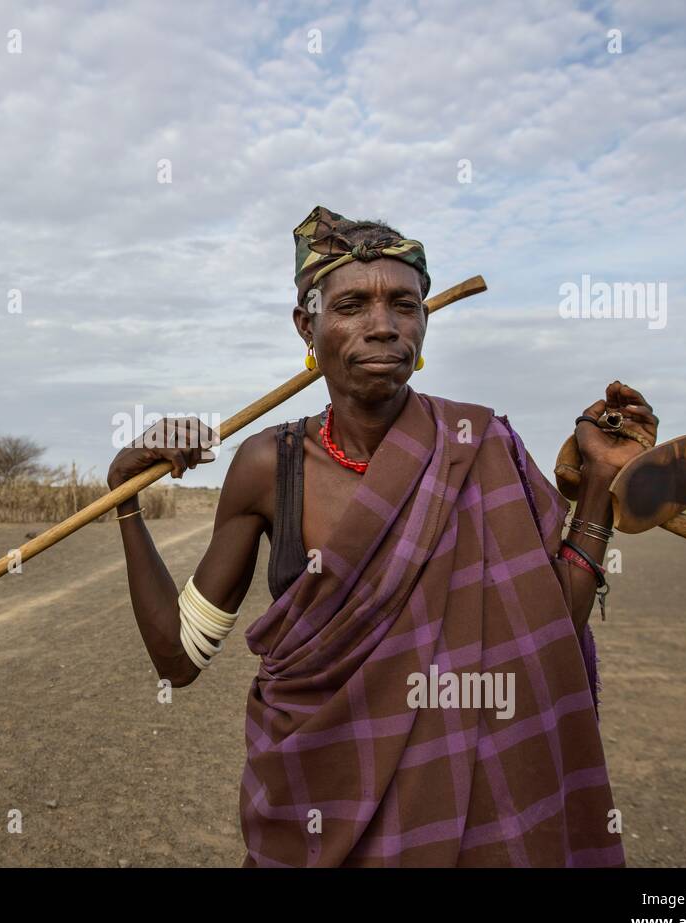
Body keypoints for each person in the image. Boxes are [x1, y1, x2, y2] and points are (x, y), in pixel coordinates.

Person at [106, 205, 654, 866]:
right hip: (319, 815)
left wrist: (599, 480)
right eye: (352, 305)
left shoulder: (480, 445)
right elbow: (180, 658)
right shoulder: (266, 466)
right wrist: (127, 504)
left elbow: (551, 632)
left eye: (404, 303)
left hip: (473, 827)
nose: (383, 326)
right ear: (307, 326)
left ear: (425, 323)